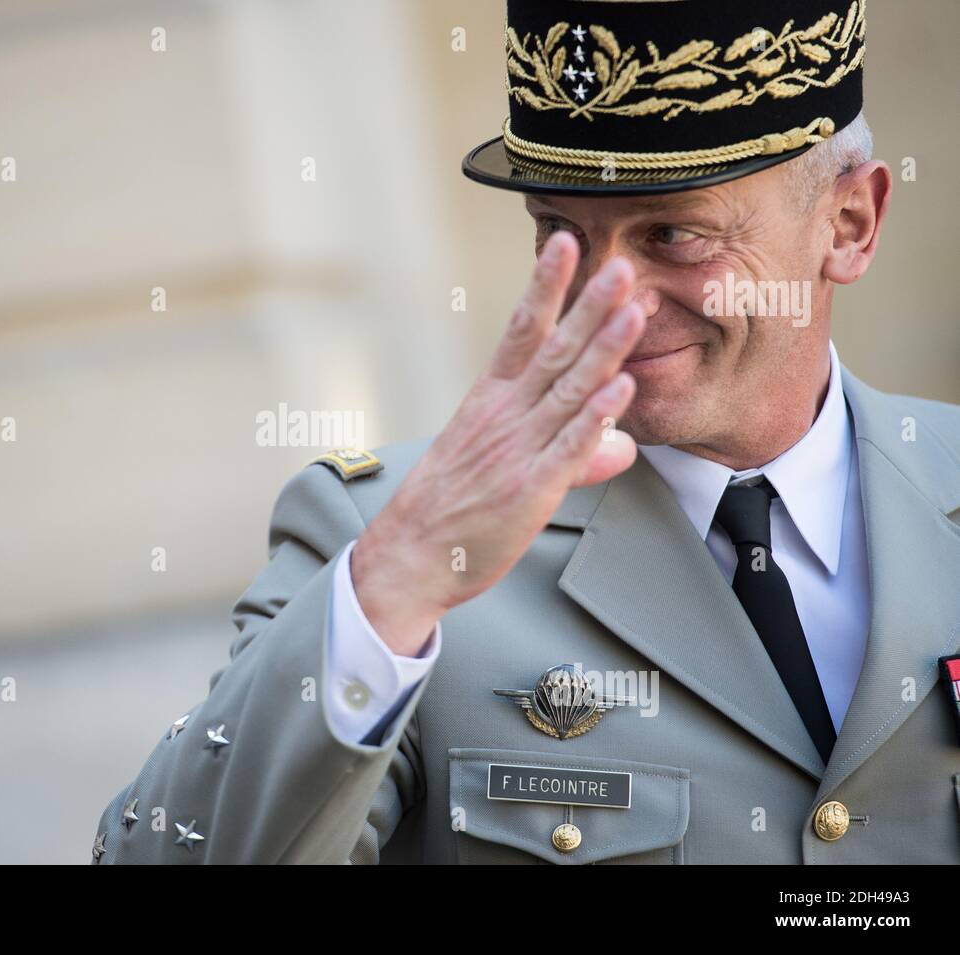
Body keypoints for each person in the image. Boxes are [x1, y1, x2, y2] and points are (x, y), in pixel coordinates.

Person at [93, 0, 960, 864]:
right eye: (560, 232)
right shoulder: (389, 537)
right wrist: (394, 589)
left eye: (674, 234)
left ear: (850, 225)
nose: (606, 294)